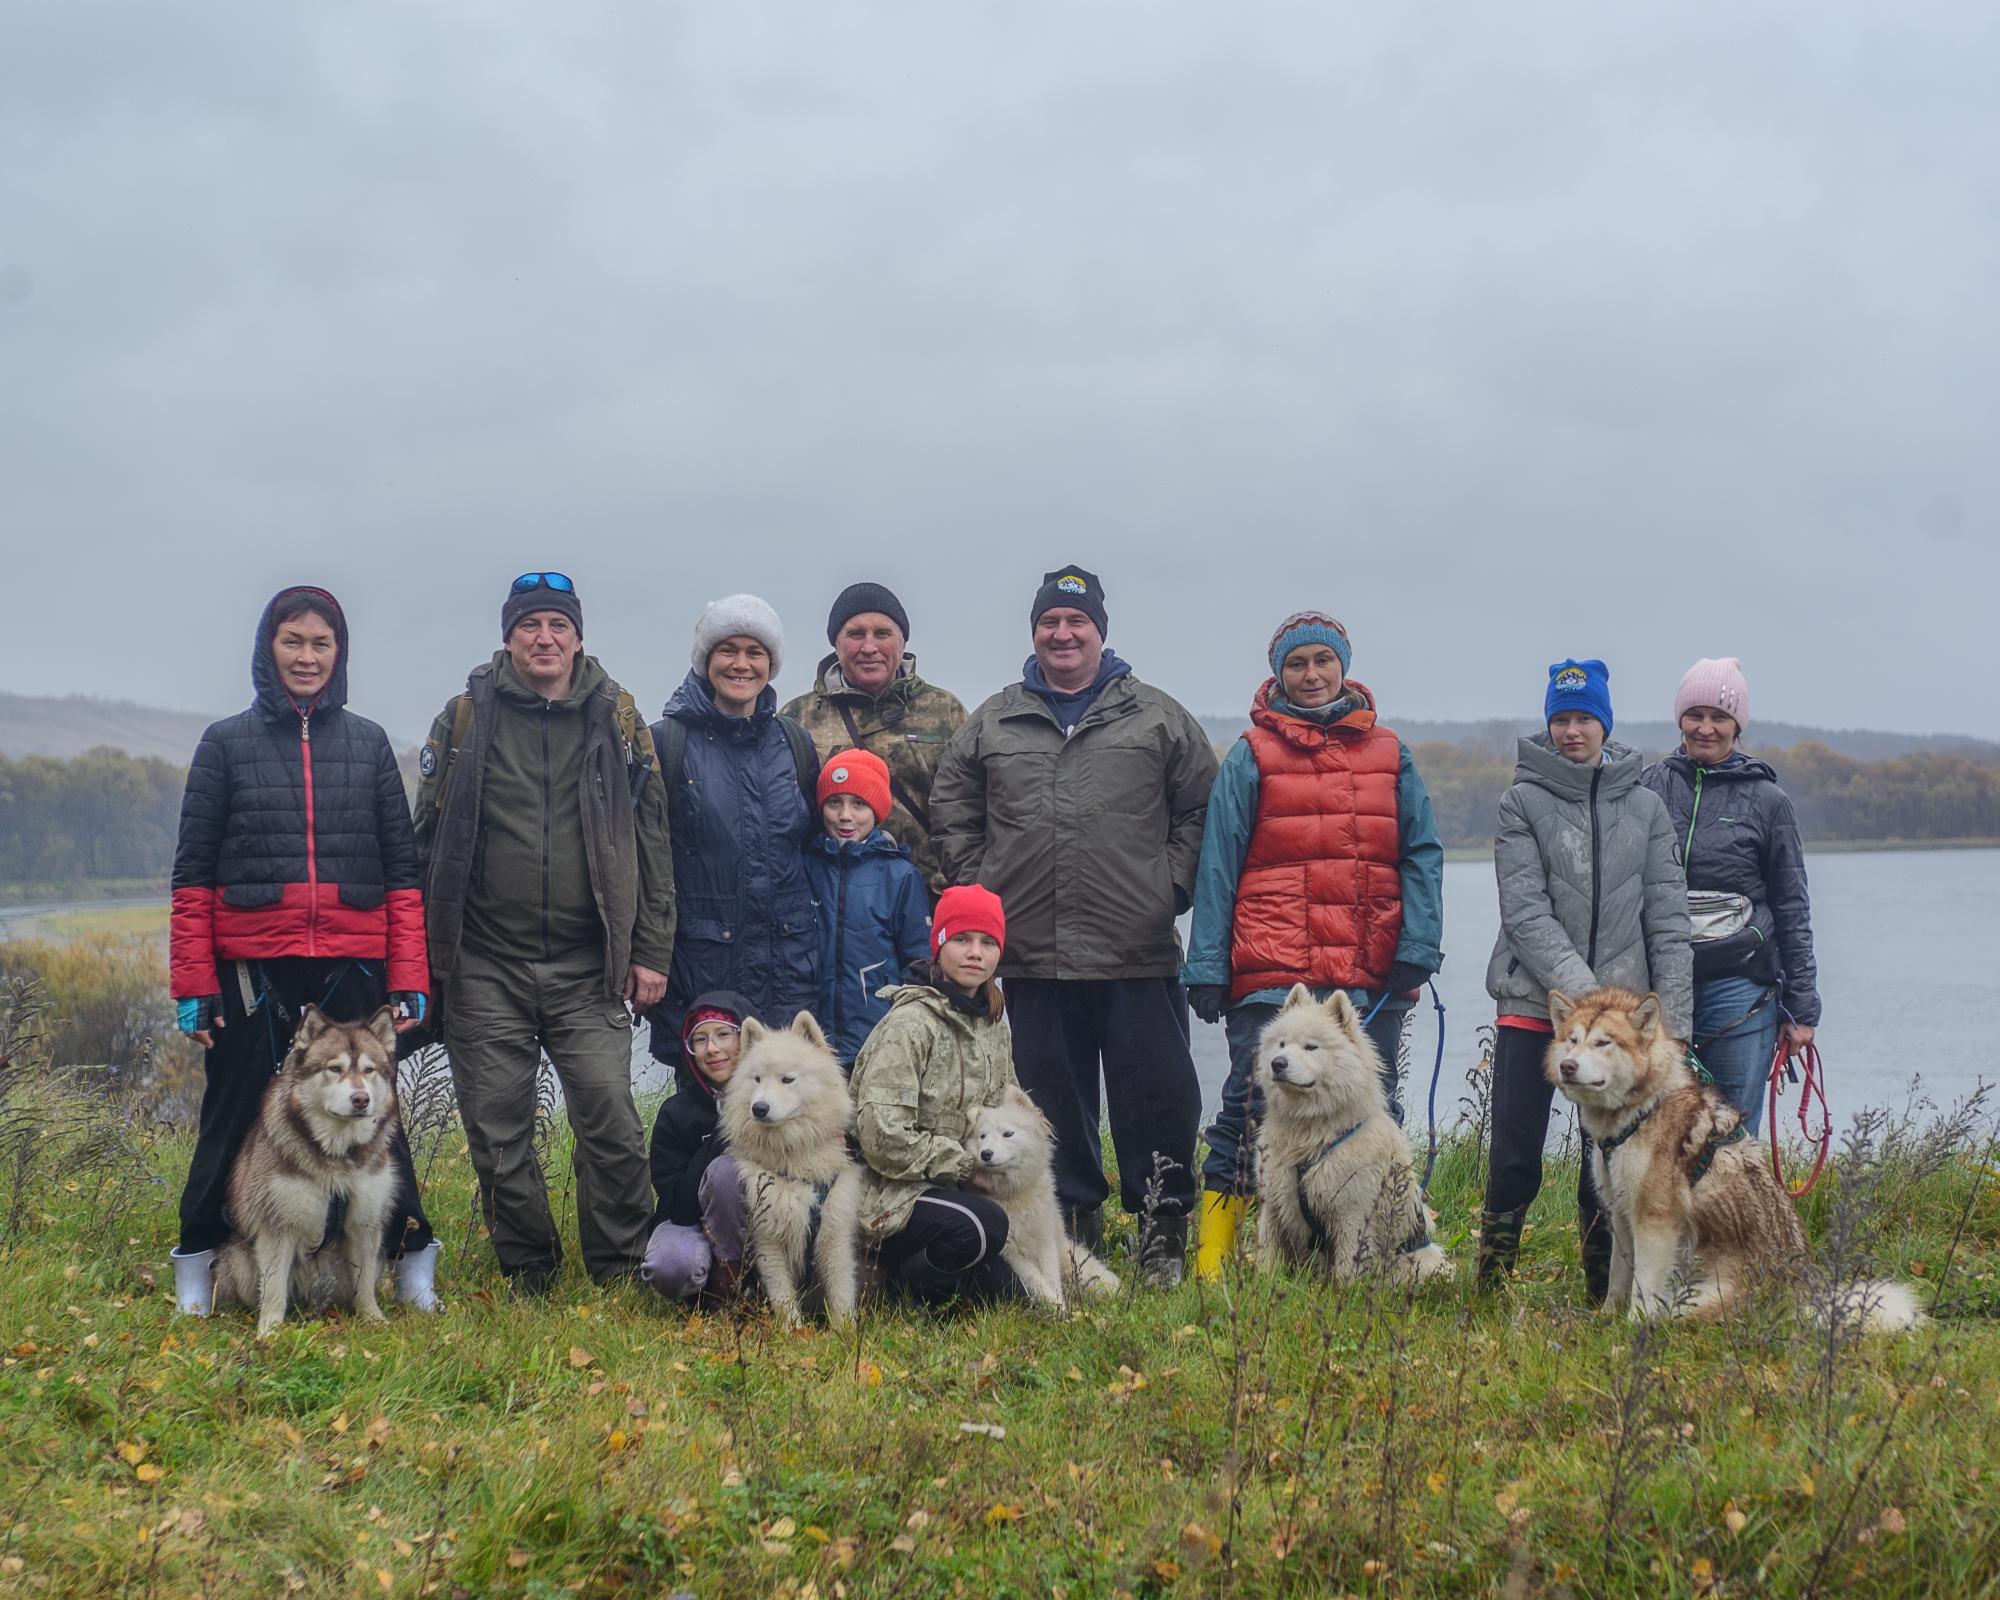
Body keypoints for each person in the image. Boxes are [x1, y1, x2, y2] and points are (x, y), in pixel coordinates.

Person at [930, 566, 1218, 1284]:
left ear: (1099, 633)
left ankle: (1163, 1230)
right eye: (1050, 622)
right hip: (1029, 954)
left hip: (1137, 947)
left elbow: (1199, 810)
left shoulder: (1156, 716)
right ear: (1034, 633)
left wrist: (1171, 885)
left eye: (1076, 622)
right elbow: (952, 811)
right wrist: (982, 894)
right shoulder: (994, 721)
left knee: (1157, 1098)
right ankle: (1073, 1227)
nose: (1063, 633)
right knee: (1049, 1103)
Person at [168, 586, 439, 1316]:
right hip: (252, 966)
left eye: (322, 644)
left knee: (377, 1117)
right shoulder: (226, 744)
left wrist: (409, 974)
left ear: (339, 654)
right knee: (231, 1113)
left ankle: (411, 1257)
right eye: (294, 641)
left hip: (352, 959)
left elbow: (402, 874)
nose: (308, 656)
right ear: (269, 648)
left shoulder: (369, 743)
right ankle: (198, 1264)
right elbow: (193, 875)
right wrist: (195, 983)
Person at [412, 573, 675, 1293]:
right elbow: (424, 836)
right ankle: (530, 1270)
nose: (545, 638)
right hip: (484, 964)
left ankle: (619, 1269)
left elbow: (652, 838)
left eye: (558, 625)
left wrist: (650, 951)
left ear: (579, 636)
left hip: (589, 966)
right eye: (530, 625)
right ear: (509, 636)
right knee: (497, 1138)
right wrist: (420, 959)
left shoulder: (617, 716)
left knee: (612, 1124)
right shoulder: (465, 715)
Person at [1181, 611, 1446, 1280]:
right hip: (1272, 964)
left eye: (1322, 662)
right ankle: (1214, 1262)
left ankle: (1381, 1258)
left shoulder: (1390, 753)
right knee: (1245, 1114)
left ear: (1342, 667)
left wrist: (1419, 943)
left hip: (1370, 968)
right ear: (1279, 675)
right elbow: (1219, 863)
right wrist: (1208, 966)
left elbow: (1421, 853)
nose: (1310, 675)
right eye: (1296, 665)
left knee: (1377, 1118)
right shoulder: (1250, 754)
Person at [1478, 659, 1692, 1299]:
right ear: (1549, 725)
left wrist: (1673, 1029)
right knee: (1515, 1152)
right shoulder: (1522, 801)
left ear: (1604, 724)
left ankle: (1604, 1291)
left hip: (1626, 1033)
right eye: (1562, 719)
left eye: (1584, 719)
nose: (1573, 731)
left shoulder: (1647, 807)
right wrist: (1587, 1009)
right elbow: (1524, 910)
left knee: (1607, 1163)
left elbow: (1669, 917)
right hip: (1533, 1005)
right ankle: (1491, 1286)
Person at [1641, 658, 1820, 1134]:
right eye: (1694, 715)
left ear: (1737, 725)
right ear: (1679, 718)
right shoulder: (1647, 787)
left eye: (1719, 717)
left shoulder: (1768, 801)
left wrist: (1802, 1009)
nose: (1705, 728)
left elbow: (1792, 907)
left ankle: (1735, 1210)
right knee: (1659, 1131)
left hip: (1740, 987)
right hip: (1658, 985)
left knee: (1733, 1131)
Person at [647, 594, 821, 1060]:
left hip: (788, 971)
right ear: (706, 659)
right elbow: (643, 862)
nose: (741, 664)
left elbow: (810, 849)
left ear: (771, 663)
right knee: (704, 1118)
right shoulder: (666, 744)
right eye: (728, 650)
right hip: (703, 970)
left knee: (787, 1115)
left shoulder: (794, 743)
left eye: (755, 652)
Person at [849, 885, 1021, 1305]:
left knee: (1009, 1291)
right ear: (939, 947)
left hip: (963, 1185)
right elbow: (880, 1137)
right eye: (961, 939)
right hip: (891, 1193)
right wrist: (963, 1166)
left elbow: (1008, 1109)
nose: (974, 953)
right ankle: (894, 1289)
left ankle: (948, 1286)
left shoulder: (995, 1024)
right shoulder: (909, 1025)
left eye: (987, 942)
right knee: (983, 1228)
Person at [780, 582, 969, 897]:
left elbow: (969, 810)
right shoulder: (796, 718)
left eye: (882, 634)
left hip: (928, 899)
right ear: (836, 644)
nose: (869, 647)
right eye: (855, 634)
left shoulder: (945, 711)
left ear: (903, 640)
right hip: (830, 905)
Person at [801, 748, 933, 1065]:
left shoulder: (900, 875)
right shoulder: (804, 868)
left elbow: (919, 962)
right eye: (835, 802)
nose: (845, 815)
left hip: (879, 1037)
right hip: (811, 1040)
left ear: (877, 810)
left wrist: (903, 1024)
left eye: (859, 804)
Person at [640, 990, 757, 1304]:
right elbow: (677, 1206)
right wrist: (728, 1125)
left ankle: (751, 1284)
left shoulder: (773, 1101)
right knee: (671, 1264)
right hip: (690, 1219)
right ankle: (712, 1292)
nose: (712, 1049)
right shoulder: (675, 1112)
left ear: (747, 1038)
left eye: (723, 1034)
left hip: (762, 1224)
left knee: (729, 1172)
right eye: (700, 1040)